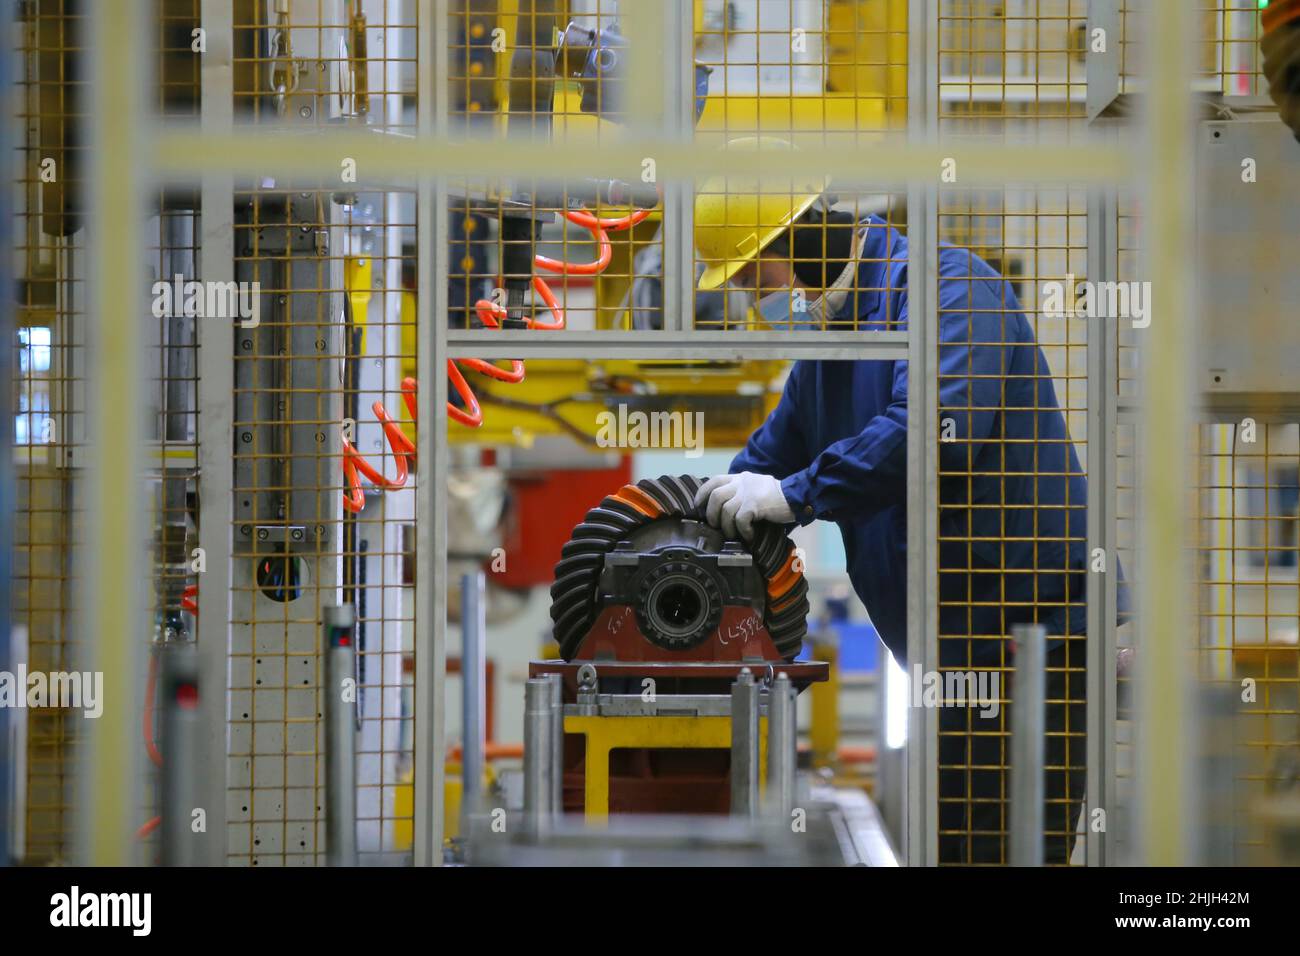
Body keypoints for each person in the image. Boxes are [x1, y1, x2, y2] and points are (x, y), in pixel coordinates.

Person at [692, 144, 1103, 863]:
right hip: (941, 654)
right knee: (957, 847)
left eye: (756, 272)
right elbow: (762, 464)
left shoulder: (949, 289)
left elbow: (936, 438)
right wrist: (695, 524)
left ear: (800, 237)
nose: (758, 295)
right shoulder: (829, 349)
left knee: (1003, 850)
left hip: (1028, 642)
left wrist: (792, 497)